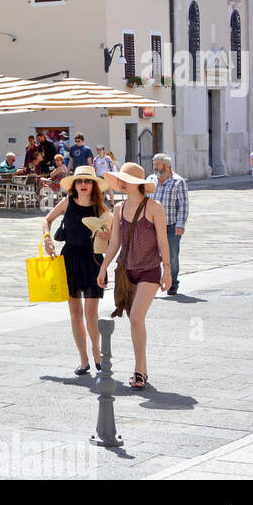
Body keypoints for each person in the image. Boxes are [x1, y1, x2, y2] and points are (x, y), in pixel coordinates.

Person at [97, 162, 170, 391]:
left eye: (123, 180)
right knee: (135, 321)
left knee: (136, 317)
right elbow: (115, 243)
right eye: (119, 180)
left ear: (134, 184)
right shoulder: (118, 208)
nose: (119, 183)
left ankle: (139, 372)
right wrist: (103, 267)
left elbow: (162, 241)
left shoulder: (154, 207)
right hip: (127, 272)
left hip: (149, 269)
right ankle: (143, 368)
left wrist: (167, 269)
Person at [43, 166, 112, 376]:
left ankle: (96, 352)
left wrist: (104, 236)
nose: (83, 185)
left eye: (87, 182)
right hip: (69, 259)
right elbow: (46, 220)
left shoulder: (100, 208)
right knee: (75, 313)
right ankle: (83, 360)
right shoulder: (67, 203)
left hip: (92, 260)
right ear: (74, 185)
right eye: (79, 182)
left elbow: (110, 235)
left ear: (93, 186)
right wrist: (47, 239)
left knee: (91, 314)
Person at [144, 153, 186, 295]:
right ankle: (151, 283)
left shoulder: (178, 182)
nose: (154, 167)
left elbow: (183, 206)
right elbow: (144, 201)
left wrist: (180, 225)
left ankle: (172, 283)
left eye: (157, 164)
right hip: (151, 226)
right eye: (154, 164)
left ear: (167, 166)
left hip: (171, 226)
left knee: (172, 256)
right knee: (150, 256)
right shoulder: (150, 180)